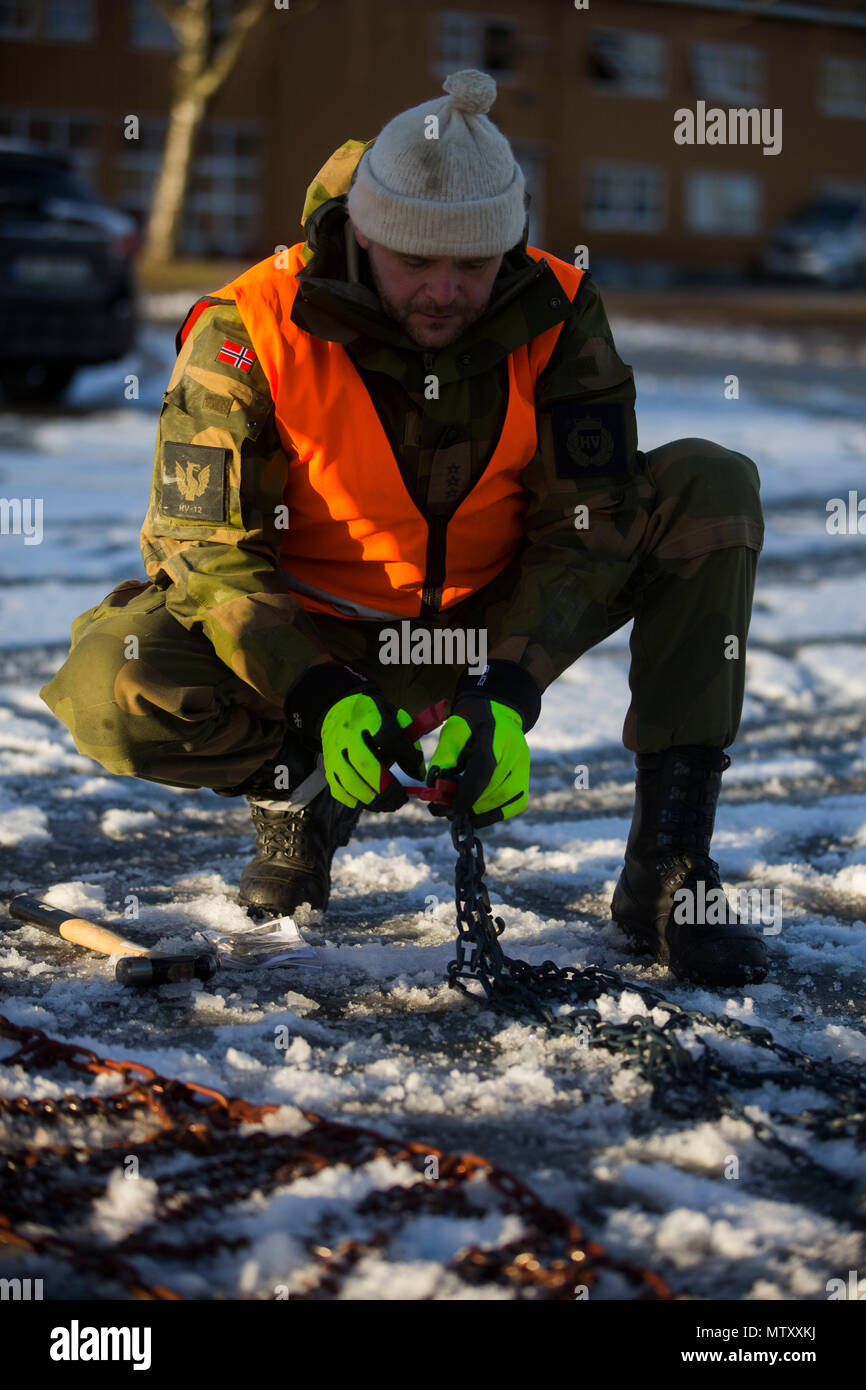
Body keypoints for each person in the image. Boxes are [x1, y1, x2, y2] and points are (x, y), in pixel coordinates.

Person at [41, 70, 767, 987]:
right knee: (122, 681)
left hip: (489, 614)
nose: (443, 293)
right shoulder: (250, 326)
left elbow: (588, 523)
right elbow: (204, 552)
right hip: (320, 633)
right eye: (414, 263)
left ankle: (669, 870)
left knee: (710, 483)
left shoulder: (556, 304)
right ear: (362, 235)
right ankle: (302, 787)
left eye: (471, 266)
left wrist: (509, 688)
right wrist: (315, 693)